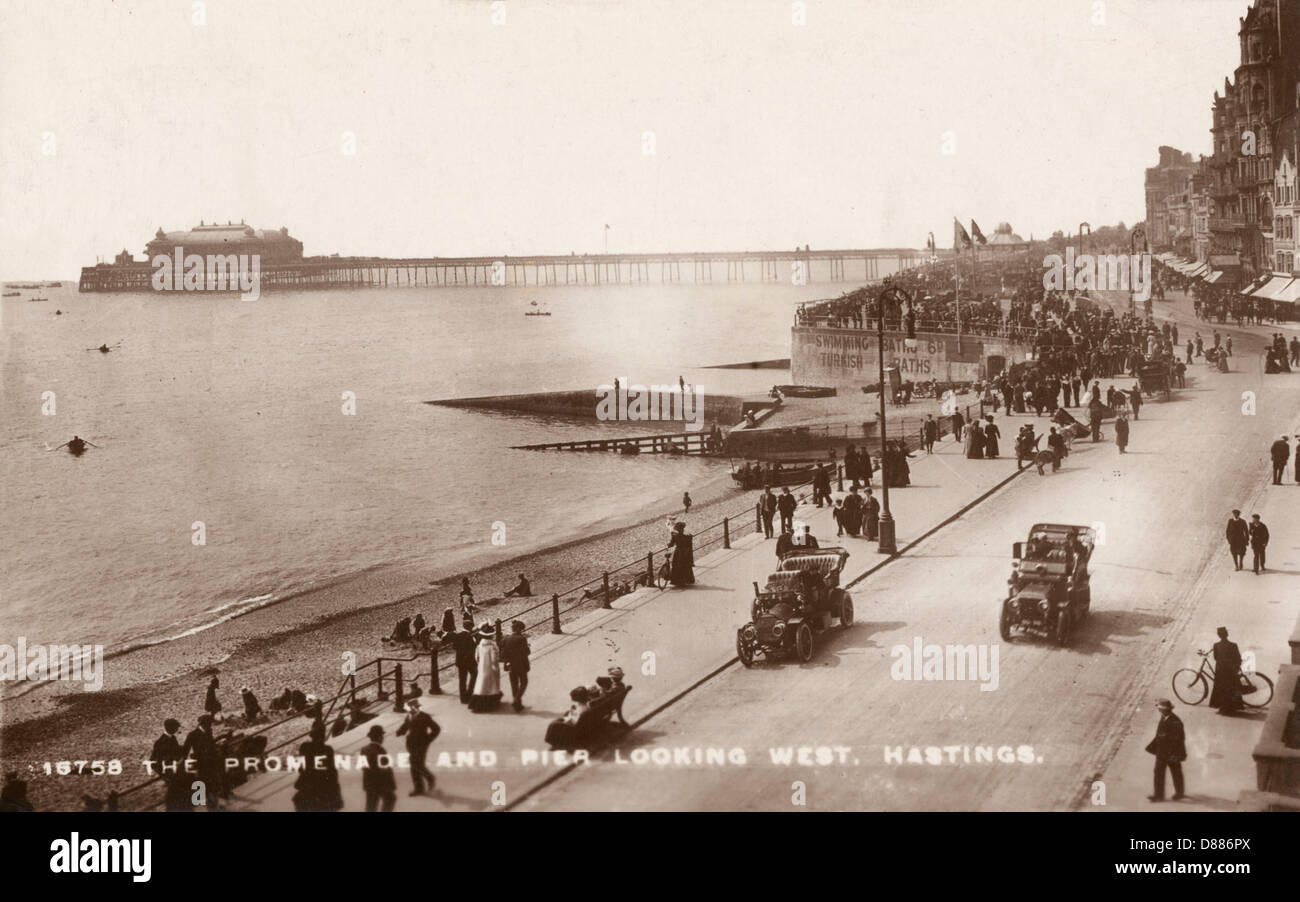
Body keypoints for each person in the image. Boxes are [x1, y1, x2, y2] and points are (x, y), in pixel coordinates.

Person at [292, 719, 344, 811]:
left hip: (308, 787)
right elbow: (332, 772)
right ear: (323, 735)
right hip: (324, 788)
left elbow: (301, 767)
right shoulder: (328, 750)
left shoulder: (305, 747)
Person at [395, 699, 441, 795]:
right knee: (415, 765)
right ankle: (419, 787)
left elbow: (436, 729)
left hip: (421, 744)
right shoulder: (409, 716)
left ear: (417, 707)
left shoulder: (424, 717)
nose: (410, 710)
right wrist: (400, 731)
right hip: (411, 744)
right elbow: (406, 725)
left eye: (412, 708)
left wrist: (428, 740)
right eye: (409, 708)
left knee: (415, 764)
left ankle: (427, 779)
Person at [1144, 698, 1186, 802]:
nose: (1159, 711)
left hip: (1172, 753)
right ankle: (1158, 795)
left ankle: (1179, 793)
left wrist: (1175, 753)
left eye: (1161, 709)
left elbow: (1179, 739)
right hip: (1161, 751)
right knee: (1158, 772)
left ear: (1167, 710)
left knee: (1175, 772)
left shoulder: (1176, 721)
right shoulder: (1164, 718)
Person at [182, 713, 223, 810]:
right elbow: (185, 750)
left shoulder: (209, 731)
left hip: (211, 762)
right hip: (201, 764)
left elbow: (211, 744)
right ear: (203, 724)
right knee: (206, 785)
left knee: (213, 785)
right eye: (209, 724)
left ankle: (215, 805)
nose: (210, 726)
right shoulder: (192, 735)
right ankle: (212, 807)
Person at [150, 718, 191, 812]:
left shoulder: (173, 738)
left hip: (179, 775)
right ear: (169, 727)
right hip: (172, 777)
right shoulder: (160, 743)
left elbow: (177, 752)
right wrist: (165, 775)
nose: (177, 729)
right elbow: (153, 762)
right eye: (175, 727)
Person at [360, 725, 397, 812]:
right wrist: (391, 785)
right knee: (390, 799)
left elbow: (363, 767)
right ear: (380, 737)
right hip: (380, 784)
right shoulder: (380, 751)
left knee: (371, 805)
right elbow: (386, 771)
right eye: (382, 736)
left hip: (369, 784)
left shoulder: (364, 749)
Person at [1209, 628, 1243, 714]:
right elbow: (1238, 658)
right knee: (1232, 688)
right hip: (1231, 671)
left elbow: (1215, 657)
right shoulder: (1233, 645)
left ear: (1219, 636)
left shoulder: (1216, 645)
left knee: (1221, 689)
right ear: (1227, 634)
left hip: (1220, 671)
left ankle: (1223, 708)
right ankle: (1233, 707)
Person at [469, 624, 503, 712]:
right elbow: (494, 659)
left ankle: (477, 703)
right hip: (491, 669)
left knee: (481, 684)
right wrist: (495, 667)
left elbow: (476, 657)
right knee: (491, 686)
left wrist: (480, 664)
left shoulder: (479, 645)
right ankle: (491, 703)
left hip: (482, 668)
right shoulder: (492, 646)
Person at [500, 620, 531, 711]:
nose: (522, 631)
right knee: (524, 682)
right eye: (521, 629)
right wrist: (527, 647)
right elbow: (526, 652)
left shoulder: (505, 638)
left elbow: (502, 654)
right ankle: (517, 700)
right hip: (521, 664)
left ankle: (517, 705)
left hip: (510, 665)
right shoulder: (521, 639)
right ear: (518, 629)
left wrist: (506, 663)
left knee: (514, 684)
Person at [445, 618, 477, 704]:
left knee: (462, 679)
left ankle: (463, 698)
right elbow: (472, 649)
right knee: (475, 675)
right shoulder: (469, 636)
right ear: (469, 627)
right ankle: (469, 693)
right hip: (469, 661)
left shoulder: (458, 635)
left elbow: (453, 646)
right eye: (471, 626)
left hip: (460, 661)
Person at [668, 521, 695, 585]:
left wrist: (668, 545)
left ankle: (676, 581)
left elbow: (671, 544)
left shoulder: (675, 535)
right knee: (686, 566)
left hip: (678, 552)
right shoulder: (688, 536)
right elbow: (690, 545)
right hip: (685, 552)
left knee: (676, 565)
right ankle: (686, 580)